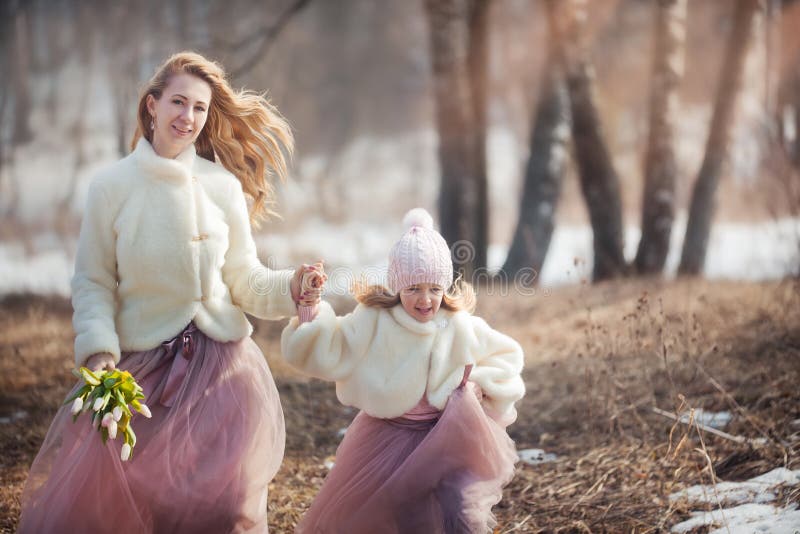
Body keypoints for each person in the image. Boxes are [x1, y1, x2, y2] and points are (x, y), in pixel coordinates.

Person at [18, 51, 320, 534]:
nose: (189, 117)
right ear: (152, 105)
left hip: (224, 373)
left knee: (221, 508)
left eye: (199, 108)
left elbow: (245, 279)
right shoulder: (111, 187)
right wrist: (98, 353)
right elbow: (92, 282)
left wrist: (293, 287)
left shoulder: (224, 188)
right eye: (178, 102)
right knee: (144, 505)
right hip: (143, 377)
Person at [280, 208, 526, 533]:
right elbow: (332, 346)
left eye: (434, 289)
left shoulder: (458, 324)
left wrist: (480, 384)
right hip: (388, 437)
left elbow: (507, 356)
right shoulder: (374, 320)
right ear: (397, 287)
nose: (425, 300)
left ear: (445, 288)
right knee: (389, 514)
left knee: (459, 508)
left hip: (447, 435)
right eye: (413, 289)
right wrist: (309, 307)